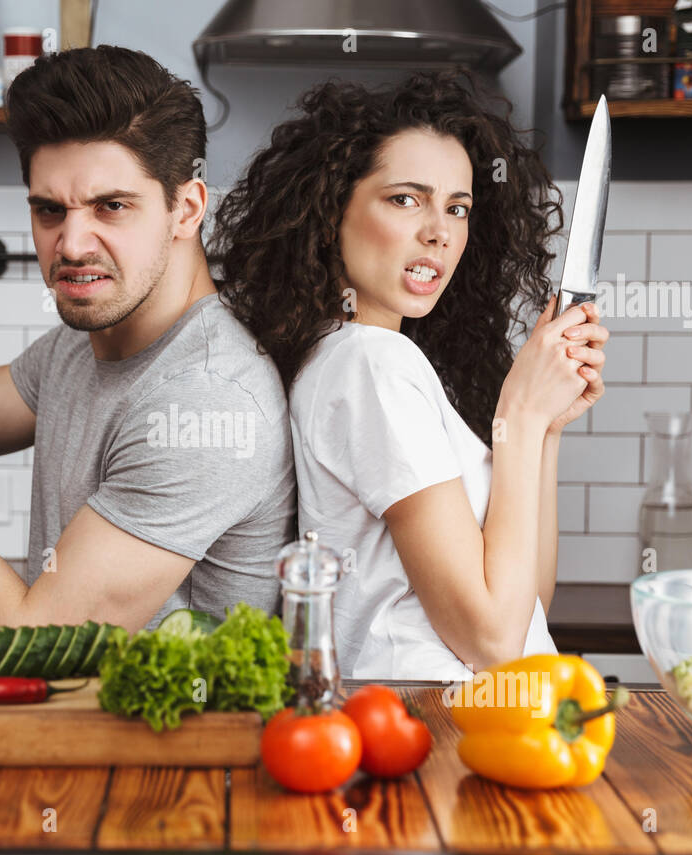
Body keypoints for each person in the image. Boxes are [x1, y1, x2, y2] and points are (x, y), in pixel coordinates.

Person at [0, 46, 296, 635]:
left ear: (186, 209)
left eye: (112, 207)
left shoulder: (206, 399)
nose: (72, 244)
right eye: (50, 210)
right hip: (72, 722)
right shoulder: (80, 346)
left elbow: (30, 643)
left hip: (164, 729)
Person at [210, 69, 610, 680]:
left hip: (468, 725)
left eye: (458, 208)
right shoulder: (373, 363)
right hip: (433, 725)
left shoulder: (356, 357)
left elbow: (527, 608)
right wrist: (519, 416)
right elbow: (494, 643)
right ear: (331, 207)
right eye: (406, 199)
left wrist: (545, 429)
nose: (439, 232)